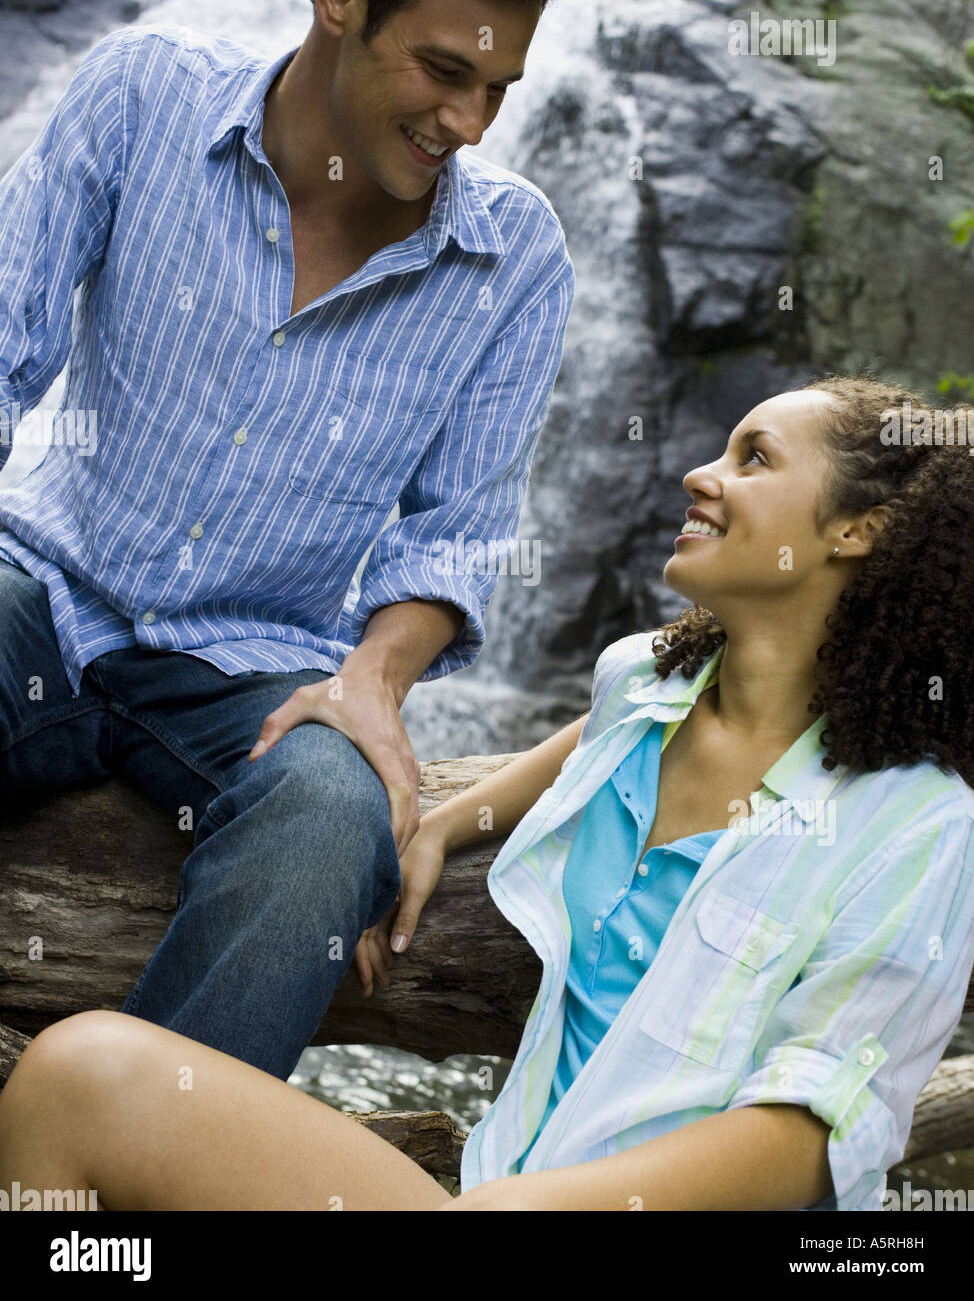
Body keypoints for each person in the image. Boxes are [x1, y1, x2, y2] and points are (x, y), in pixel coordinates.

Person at [3, 374, 973, 1211]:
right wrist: (440, 825)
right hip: (497, 1184)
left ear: (856, 530)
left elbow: (809, 1132)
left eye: (751, 458)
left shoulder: (917, 822)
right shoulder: (648, 683)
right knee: (78, 1074)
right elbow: (587, 735)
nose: (699, 474)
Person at [0, 0, 575, 1079]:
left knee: (328, 818)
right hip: (44, 593)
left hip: (256, 671)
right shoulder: (142, 98)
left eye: (498, 89)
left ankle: (127, 1194)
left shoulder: (517, 258)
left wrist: (370, 684)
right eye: (443, 71)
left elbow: (452, 539)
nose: (465, 124)